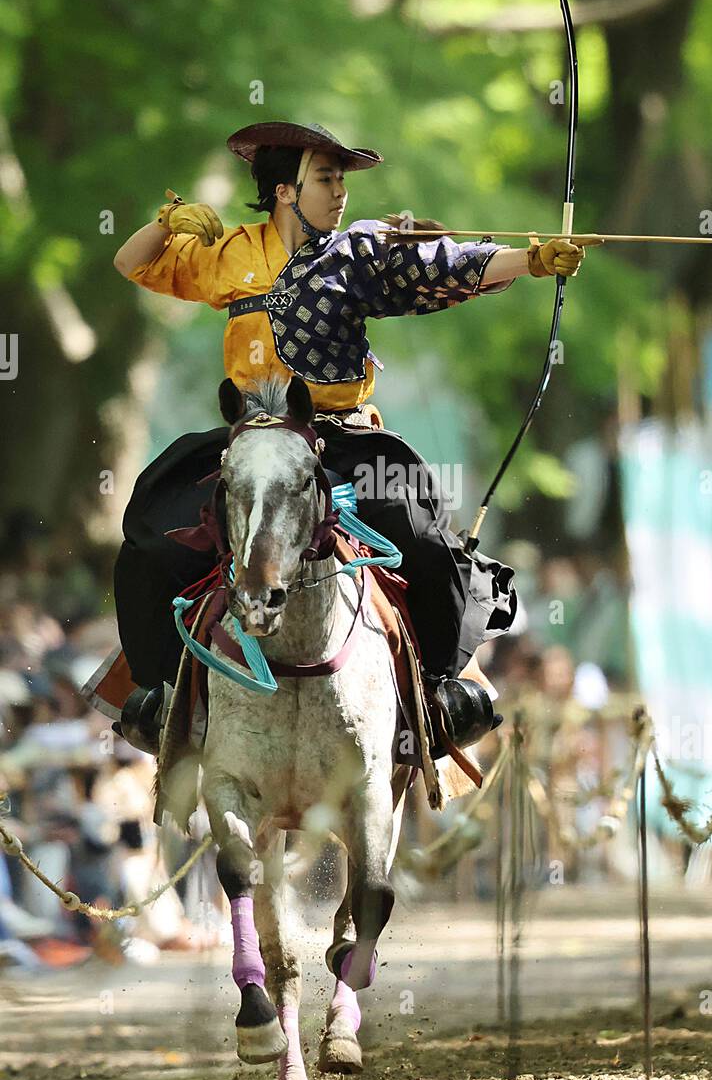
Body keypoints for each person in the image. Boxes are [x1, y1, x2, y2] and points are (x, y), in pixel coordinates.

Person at [111, 121, 585, 753]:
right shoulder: (230, 255)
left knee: (419, 536)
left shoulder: (357, 252)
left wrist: (529, 260)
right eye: (326, 178)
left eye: (341, 179)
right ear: (284, 190)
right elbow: (131, 260)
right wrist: (168, 223)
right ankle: (156, 695)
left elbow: (441, 265)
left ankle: (442, 691)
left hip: (343, 443)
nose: (340, 192)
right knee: (150, 532)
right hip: (252, 439)